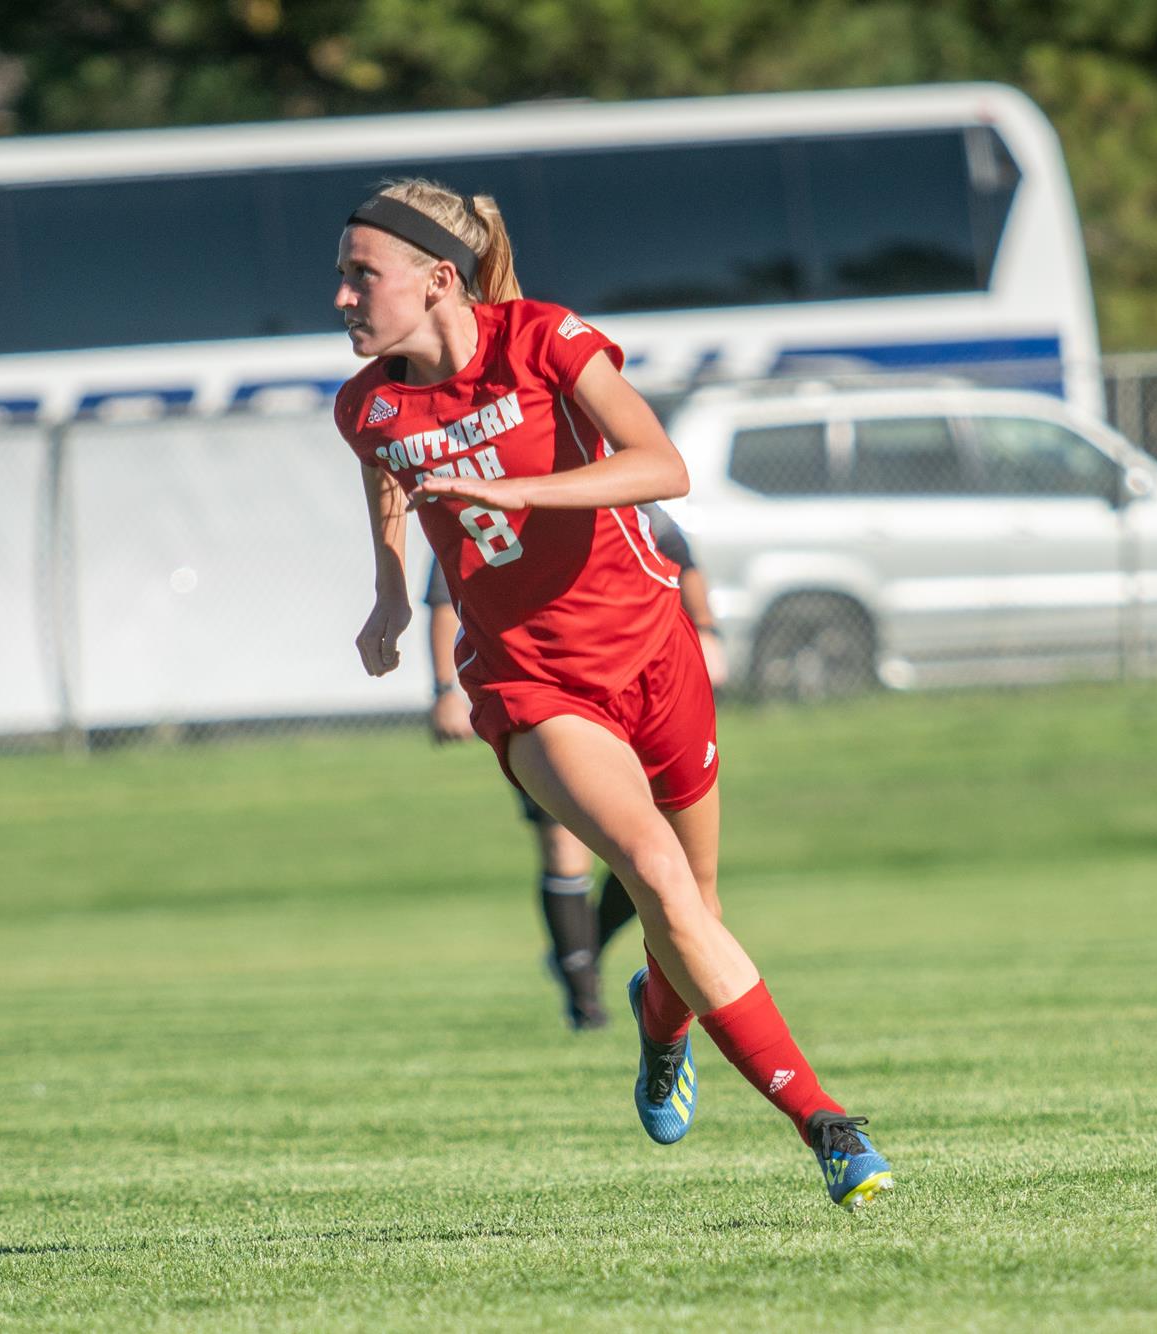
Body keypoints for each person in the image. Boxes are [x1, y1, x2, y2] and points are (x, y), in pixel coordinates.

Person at [332, 178, 892, 1208]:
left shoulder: (544, 339)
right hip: (532, 682)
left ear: (438, 279)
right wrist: (388, 590)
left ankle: (660, 1027)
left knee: (694, 904)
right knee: (655, 876)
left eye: (360, 274)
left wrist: (512, 489)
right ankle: (827, 1124)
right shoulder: (366, 404)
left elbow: (662, 467)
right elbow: (386, 469)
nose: (341, 297)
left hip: (653, 654)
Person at [425, 505, 728, 1031]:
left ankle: (585, 947)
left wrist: (707, 630)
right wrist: (444, 689)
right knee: (563, 845)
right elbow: (442, 598)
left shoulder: (599, 485)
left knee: (657, 849)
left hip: (632, 692)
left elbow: (680, 558)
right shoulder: (468, 493)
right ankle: (585, 1003)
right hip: (539, 696)